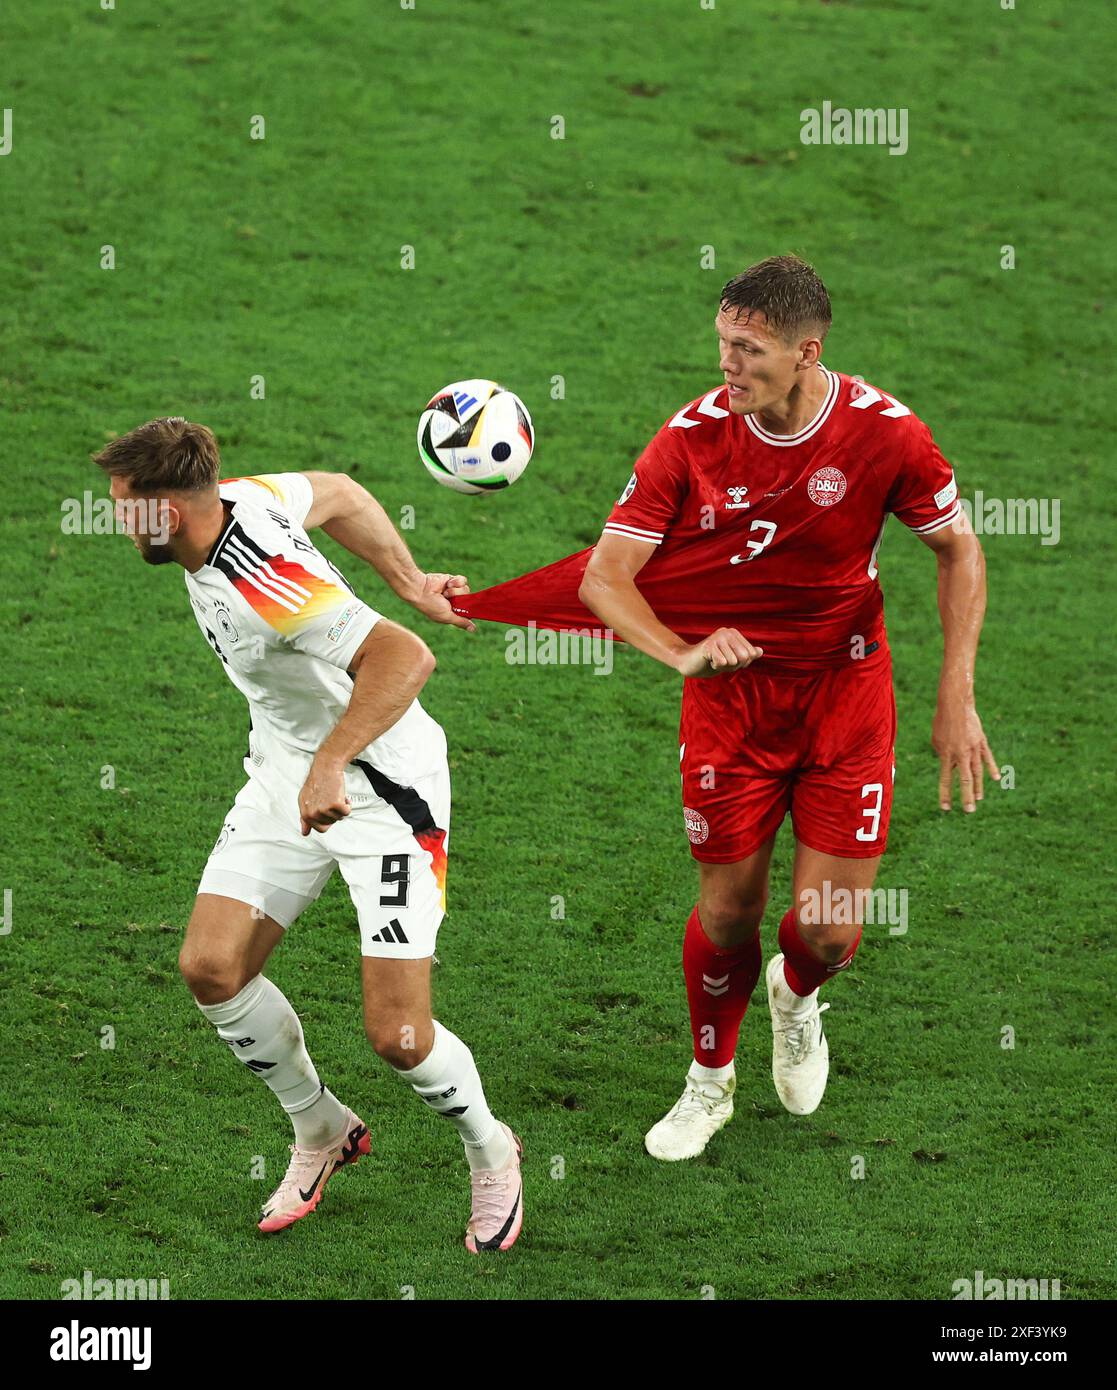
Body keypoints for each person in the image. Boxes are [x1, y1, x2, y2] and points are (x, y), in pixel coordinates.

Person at [572, 255, 998, 1159]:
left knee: (828, 928)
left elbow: (957, 550)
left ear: (806, 352)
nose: (726, 366)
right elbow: (604, 578)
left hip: (847, 700)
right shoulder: (687, 439)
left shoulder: (886, 436)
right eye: (722, 343)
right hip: (733, 709)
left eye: (748, 350)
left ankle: (797, 996)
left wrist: (953, 692)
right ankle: (708, 1081)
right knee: (727, 912)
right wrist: (681, 652)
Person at [93, 419, 523, 1248]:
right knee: (211, 968)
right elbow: (339, 490)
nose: (118, 524)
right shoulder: (240, 498)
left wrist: (330, 764)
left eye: (127, 511)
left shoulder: (270, 585)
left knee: (397, 1035)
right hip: (288, 774)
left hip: (383, 793)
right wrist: (406, 576)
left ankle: (492, 1149)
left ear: (172, 514)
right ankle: (322, 1129)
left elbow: (403, 660)